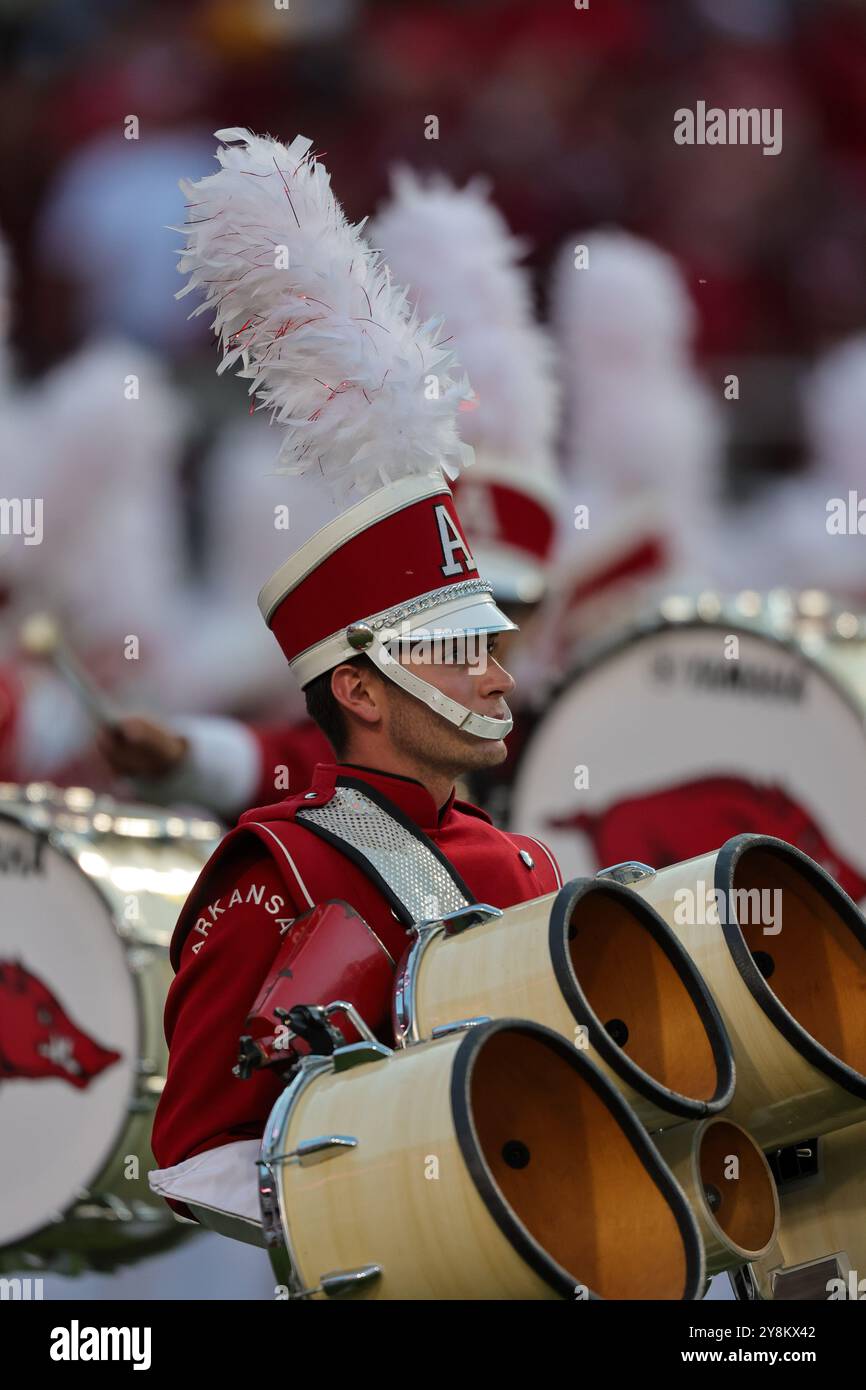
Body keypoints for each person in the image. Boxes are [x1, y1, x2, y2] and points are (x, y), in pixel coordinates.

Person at [147, 128, 563, 1227]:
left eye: (493, 646)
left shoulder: (521, 862)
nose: (495, 678)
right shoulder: (278, 868)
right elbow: (195, 1156)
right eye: (455, 651)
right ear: (365, 688)